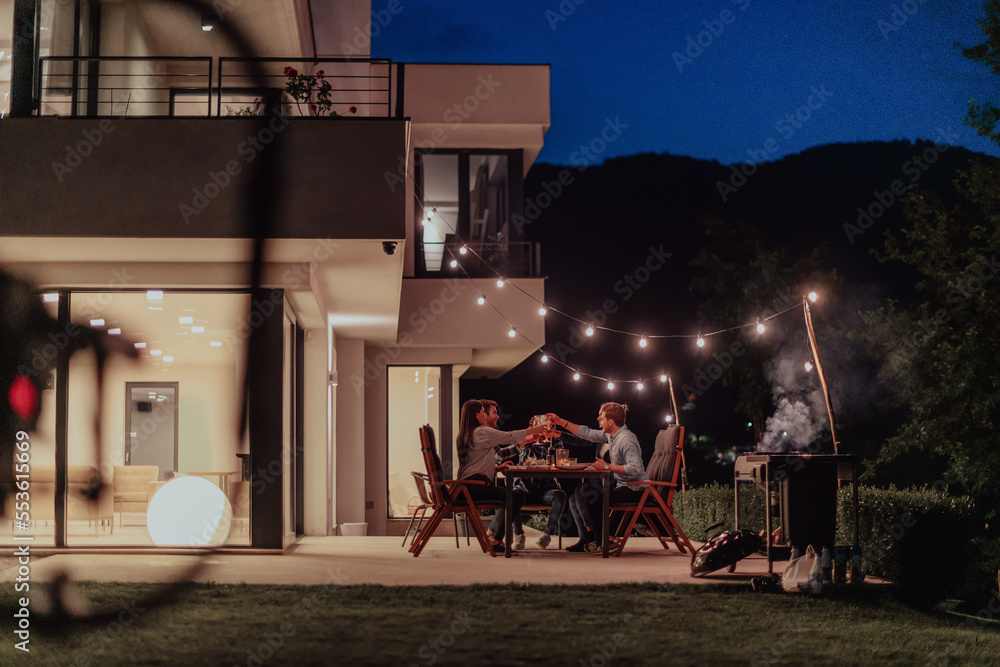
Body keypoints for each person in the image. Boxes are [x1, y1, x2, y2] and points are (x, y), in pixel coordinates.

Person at [546, 402, 648, 553]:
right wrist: (560, 421)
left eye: (601, 416)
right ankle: (589, 539)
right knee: (576, 497)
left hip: (635, 490)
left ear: (611, 421)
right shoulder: (611, 436)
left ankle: (604, 540)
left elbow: (634, 468)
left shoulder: (626, 440)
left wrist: (607, 466)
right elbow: (586, 433)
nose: (598, 418)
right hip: (623, 486)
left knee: (585, 493)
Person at [455, 399, 553, 550]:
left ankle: (495, 536)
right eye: (483, 412)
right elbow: (509, 436)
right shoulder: (481, 432)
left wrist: (497, 468)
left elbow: (476, 463)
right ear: (477, 414)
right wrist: (534, 429)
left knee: (511, 496)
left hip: (467, 486)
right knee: (516, 497)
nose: (486, 415)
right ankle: (495, 541)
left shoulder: (468, 434)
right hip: (473, 487)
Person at [484, 407, 568, 550]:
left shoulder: (555, 443)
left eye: (548, 425)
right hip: (524, 489)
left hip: (546, 491)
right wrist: (530, 434)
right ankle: (519, 535)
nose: (544, 428)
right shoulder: (527, 441)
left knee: (560, 495)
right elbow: (509, 454)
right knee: (513, 495)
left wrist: (550, 440)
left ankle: (547, 536)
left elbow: (559, 461)